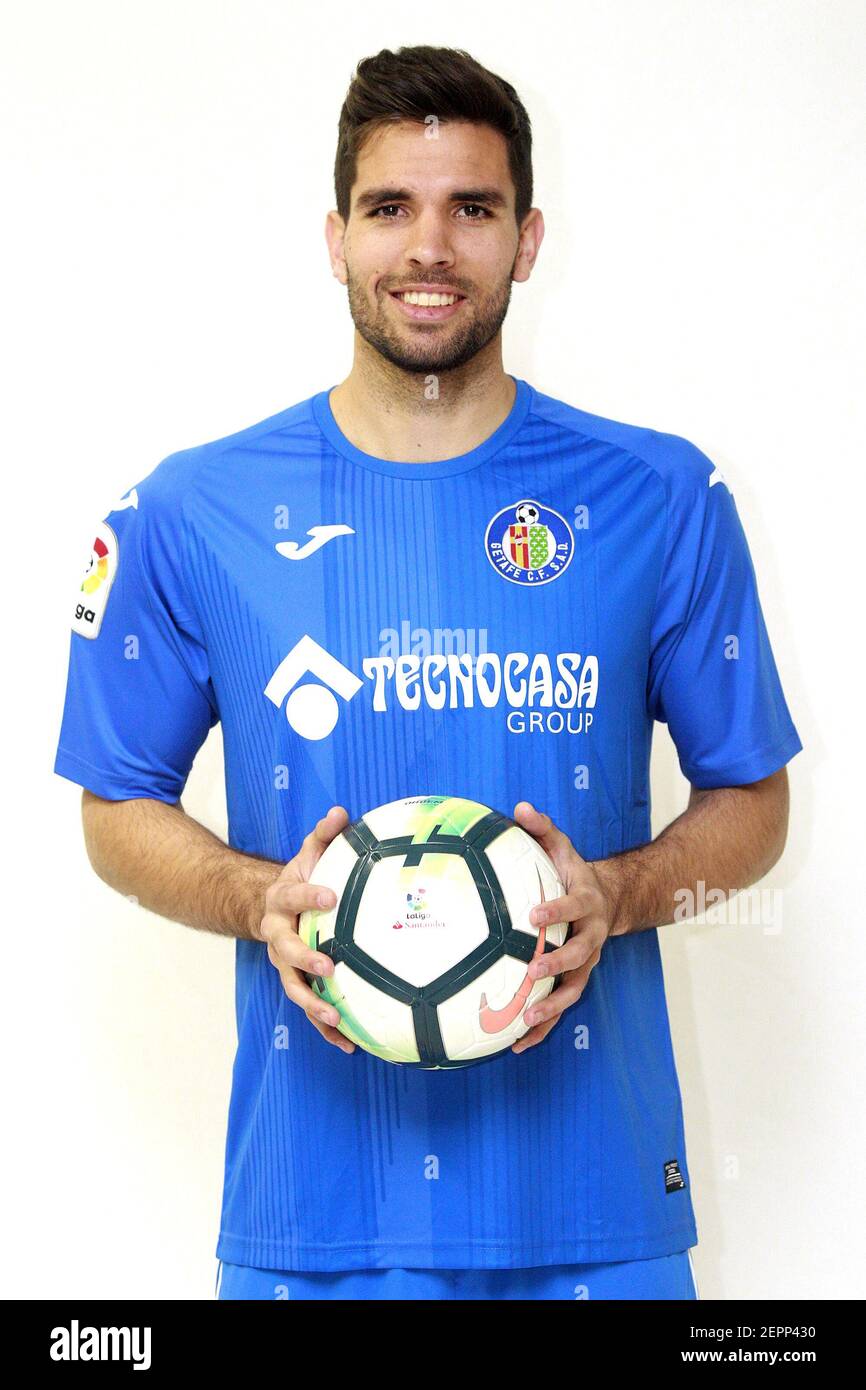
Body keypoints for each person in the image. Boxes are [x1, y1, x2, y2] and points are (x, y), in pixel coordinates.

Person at [54, 44, 802, 1301]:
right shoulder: (193, 511)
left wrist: (618, 892)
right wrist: (255, 899)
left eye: (472, 207)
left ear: (527, 238)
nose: (430, 248)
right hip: (313, 1215)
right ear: (335, 236)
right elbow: (113, 807)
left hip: (595, 1211)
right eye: (391, 207)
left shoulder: (658, 496)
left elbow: (753, 806)